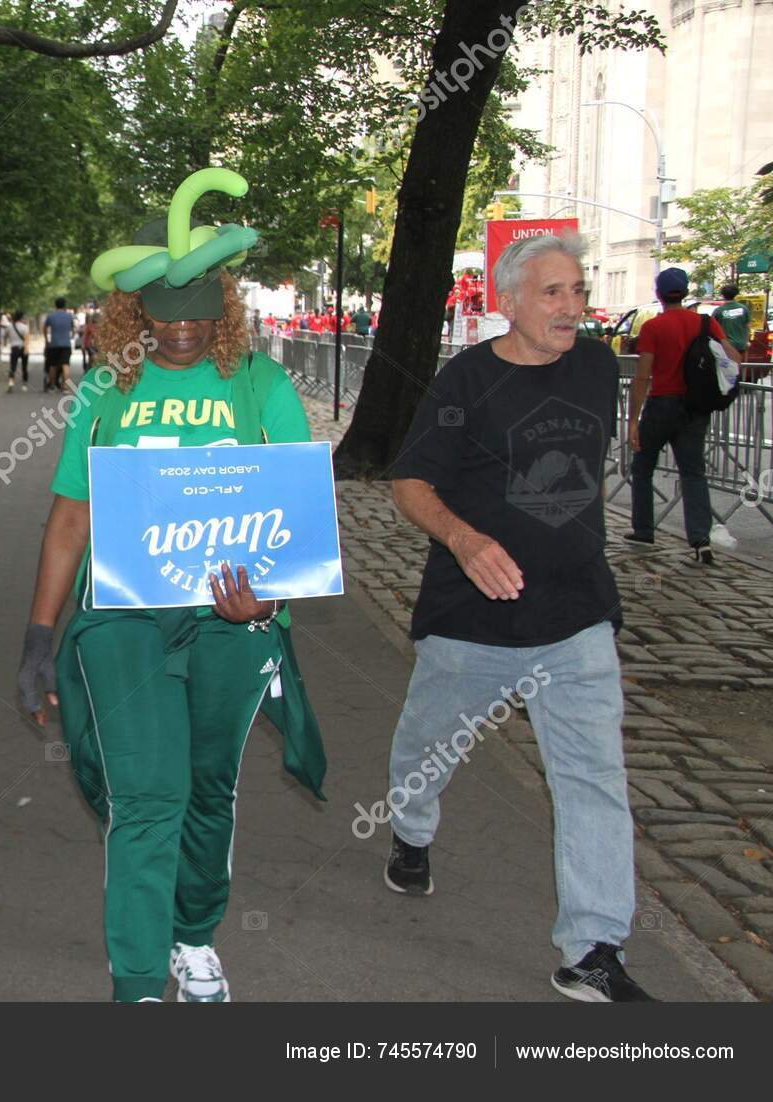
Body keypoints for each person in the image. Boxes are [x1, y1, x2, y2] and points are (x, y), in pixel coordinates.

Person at [17, 180, 326, 1003]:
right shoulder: (105, 389)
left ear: (223, 308)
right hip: (125, 619)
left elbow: (296, 523)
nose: (182, 331)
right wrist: (39, 636)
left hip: (232, 624)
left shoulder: (263, 387)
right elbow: (69, 520)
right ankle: (141, 983)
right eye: (165, 315)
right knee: (147, 794)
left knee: (207, 790)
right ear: (135, 311)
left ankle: (195, 937)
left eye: (198, 314)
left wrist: (267, 598)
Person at [385, 231, 653, 1002]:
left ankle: (594, 947)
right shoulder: (465, 383)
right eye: (553, 292)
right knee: (427, 748)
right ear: (508, 302)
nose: (573, 307)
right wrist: (466, 541)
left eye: (578, 290)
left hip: (577, 616)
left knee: (594, 778)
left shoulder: (599, 367)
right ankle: (409, 831)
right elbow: (408, 482)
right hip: (474, 619)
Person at [628, 267, 741, 564]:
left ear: (659, 294)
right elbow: (734, 358)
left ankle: (643, 529)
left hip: (661, 404)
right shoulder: (704, 323)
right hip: (695, 408)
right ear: (686, 292)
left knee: (642, 467)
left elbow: (642, 376)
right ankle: (701, 539)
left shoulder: (653, 328)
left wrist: (632, 421)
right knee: (693, 472)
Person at [43, 296, 74, 392]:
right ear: (65, 305)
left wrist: (46, 340)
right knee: (66, 365)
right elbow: (73, 329)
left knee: (53, 365)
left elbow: (44, 328)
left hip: (54, 344)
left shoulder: (51, 316)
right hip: (66, 344)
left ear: (55, 305)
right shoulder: (69, 316)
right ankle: (66, 387)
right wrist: (71, 336)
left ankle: (52, 386)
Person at [712, 283, 751, 356]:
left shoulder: (718, 311)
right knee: (740, 365)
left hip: (726, 347)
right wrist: (747, 341)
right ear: (736, 294)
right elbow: (748, 326)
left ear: (722, 295)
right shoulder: (743, 308)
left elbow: (712, 329)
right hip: (741, 345)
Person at [4, 310, 31, 391]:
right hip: (23, 348)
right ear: (22, 318)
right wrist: (26, 349)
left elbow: (6, 335)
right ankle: (24, 385)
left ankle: (11, 382)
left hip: (14, 348)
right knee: (24, 367)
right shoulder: (24, 327)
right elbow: (27, 339)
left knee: (12, 366)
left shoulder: (9, 327)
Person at [79, 309, 99, 374]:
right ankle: (92, 371)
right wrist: (83, 345)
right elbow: (85, 336)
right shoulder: (89, 326)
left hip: (98, 345)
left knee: (92, 359)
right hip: (90, 345)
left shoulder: (102, 326)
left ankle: (90, 370)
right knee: (94, 357)